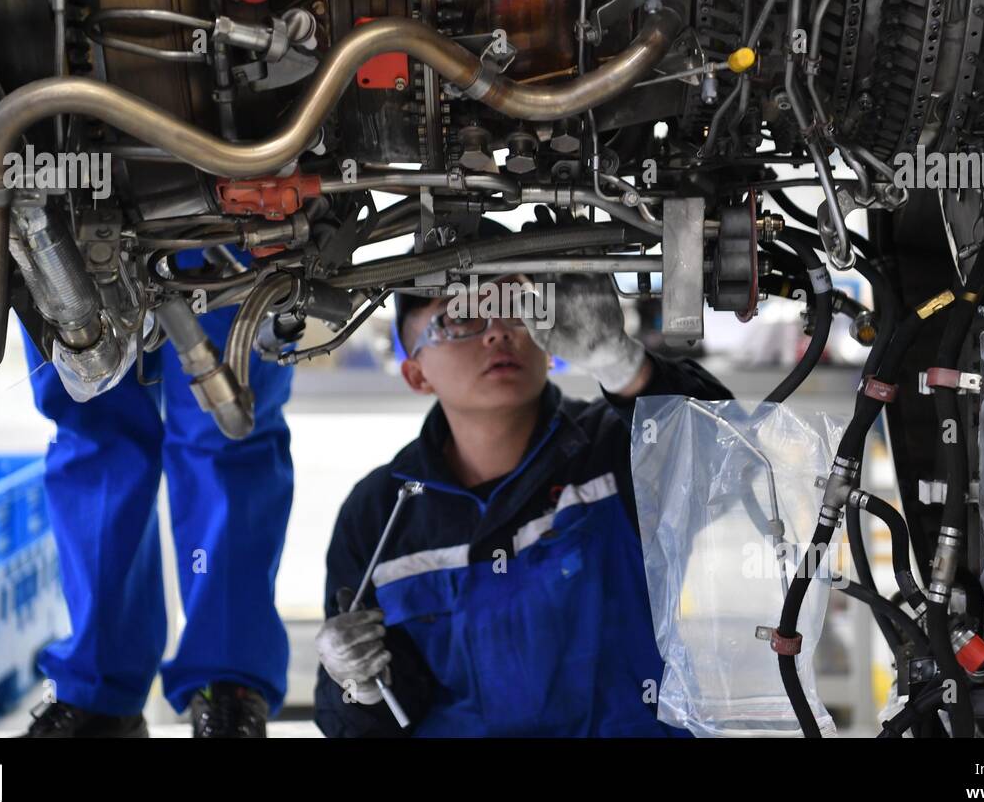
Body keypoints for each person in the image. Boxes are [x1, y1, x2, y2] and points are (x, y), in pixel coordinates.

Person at [314, 264, 733, 737]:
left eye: (514, 309)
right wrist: (357, 687)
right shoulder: (379, 513)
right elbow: (362, 725)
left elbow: (730, 465)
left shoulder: (617, 445)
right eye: (463, 317)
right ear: (416, 374)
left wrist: (620, 362)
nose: (497, 333)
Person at [20, 264, 295, 738]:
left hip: (219, 200)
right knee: (90, 418)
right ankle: (100, 698)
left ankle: (227, 686)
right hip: (58, 209)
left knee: (227, 414)